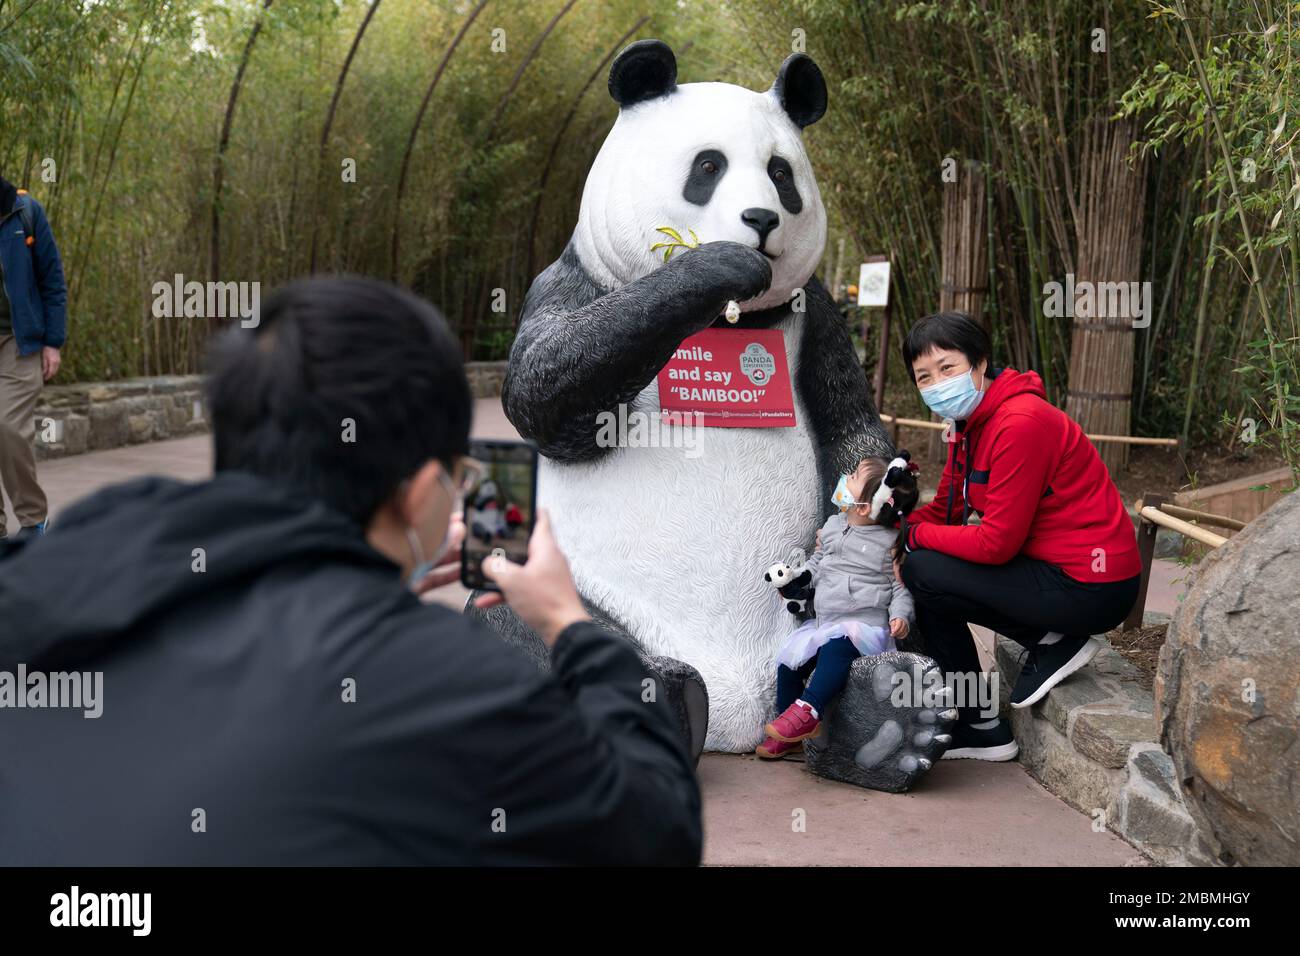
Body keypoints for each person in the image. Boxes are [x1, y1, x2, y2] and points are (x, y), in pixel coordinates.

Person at [0, 276, 701, 865]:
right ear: (425, 496)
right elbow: (657, 827)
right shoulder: (446, 683)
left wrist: (360, 585)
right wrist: (567, 623)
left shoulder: (82, 545)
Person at [898, 312, 1140, 762]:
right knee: (923, 572)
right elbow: (949, 507)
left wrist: (915, 539)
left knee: (924, 569)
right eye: (923, 377)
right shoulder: (970, 426)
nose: (936, 384)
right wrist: (891, 533)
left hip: (1092, 584)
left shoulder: (1021, 423)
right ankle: (981, 726)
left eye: (947, 368)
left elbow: (995, 544)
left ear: (980, 364)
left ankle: (1050, 642)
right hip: (1053, 572)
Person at [757, 455, 920, 759]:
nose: (847, 476)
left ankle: (809, 710)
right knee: (789, 662)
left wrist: (901, 616)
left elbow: (900, 587)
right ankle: (789, 726)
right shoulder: (833, 525)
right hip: (825, 622)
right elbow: (818, 564)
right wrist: (799, 579)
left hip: (863, 627)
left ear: (864, 506)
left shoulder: (889, 542)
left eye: (855, 475)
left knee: (835, 650)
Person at [0, 175, 66, 541]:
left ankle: (32, 519)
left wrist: (53, 342)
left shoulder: (26, 212)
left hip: (21, 341)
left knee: (8, 426)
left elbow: (52, 280)